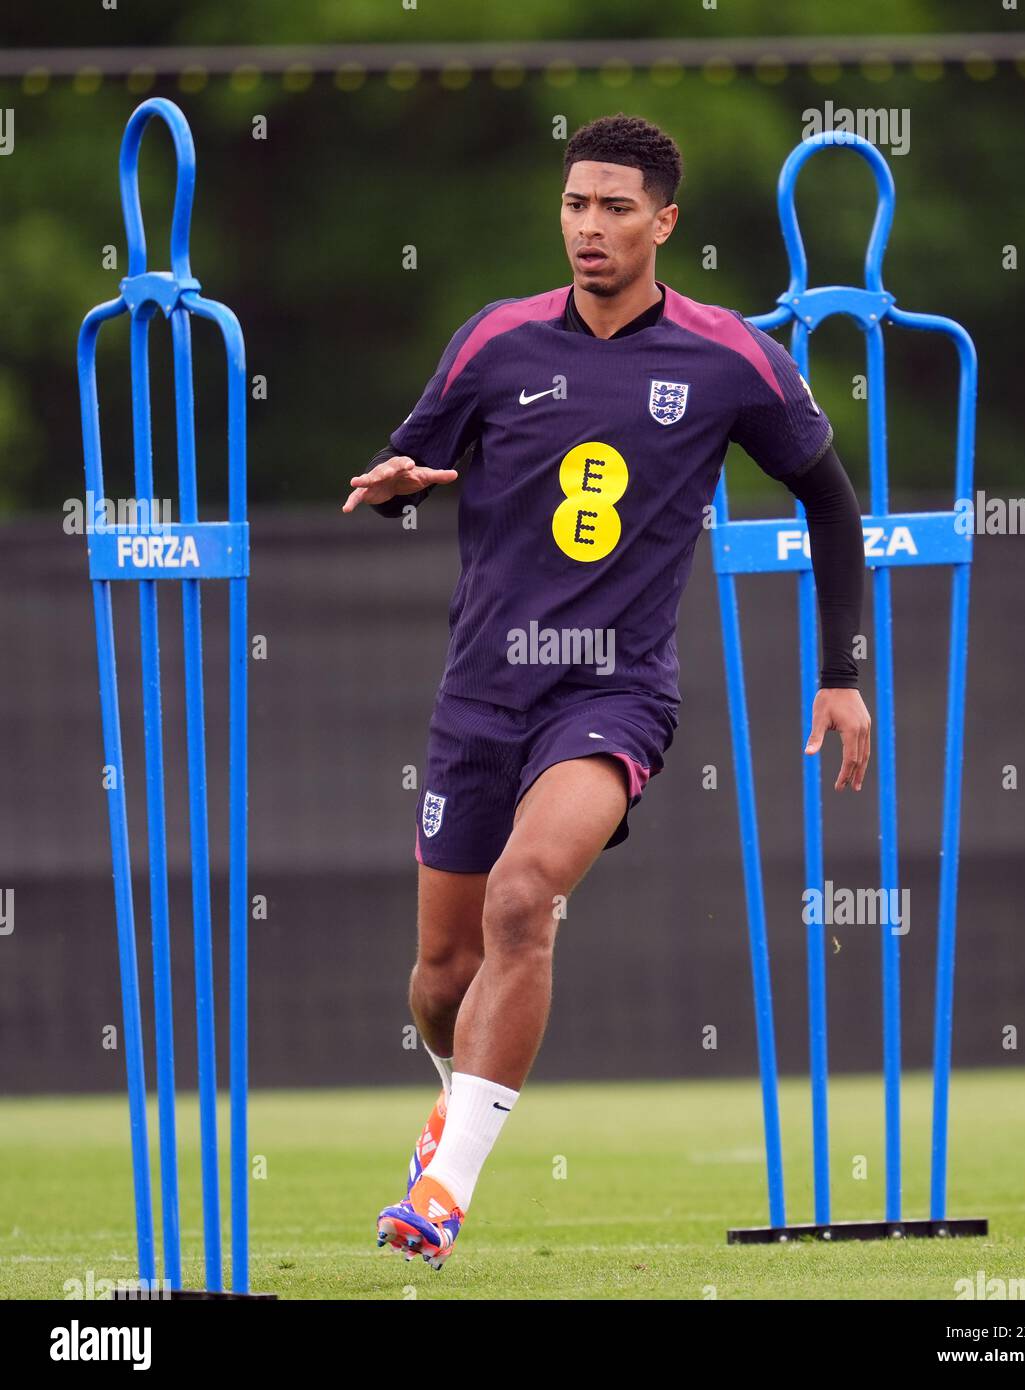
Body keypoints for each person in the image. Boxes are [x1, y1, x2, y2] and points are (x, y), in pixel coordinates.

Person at [343, 114, 871, 1269]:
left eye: (617, 207)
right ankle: (454, 1090)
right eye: (577, 204)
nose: (591, 226)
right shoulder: (494, 340)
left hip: (613, 692)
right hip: (481, 694)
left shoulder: (731, 356)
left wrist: (842, 675)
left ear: (664, 223)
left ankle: (441, 1195)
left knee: (525, 898)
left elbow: (832, 499)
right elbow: (414, 466)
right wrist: (398, 488)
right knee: (442, 977)